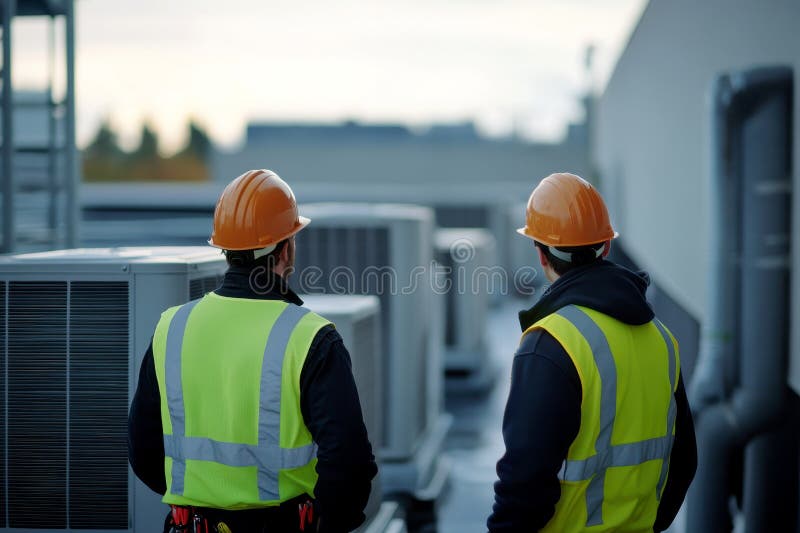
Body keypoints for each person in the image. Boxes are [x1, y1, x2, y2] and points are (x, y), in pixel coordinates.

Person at [129, 169, 378, 533]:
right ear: (287, 247)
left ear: (226, 250)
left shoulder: (172, 327)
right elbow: (349, 465)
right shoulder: (312, 339)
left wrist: (203, 503)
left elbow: (143, 451)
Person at [487, 173, 697, 532]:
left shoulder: (551, 343)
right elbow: (685, 461)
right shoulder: (662, 338)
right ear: (606, 247)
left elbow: (524, 483)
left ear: (540, 252)